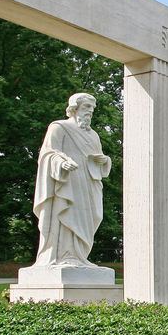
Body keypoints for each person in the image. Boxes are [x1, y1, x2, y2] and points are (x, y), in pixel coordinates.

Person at [31, 92, 111, 268]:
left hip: (88, 182)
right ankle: (63, 255)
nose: (90, 111)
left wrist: (104, 161)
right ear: (75, 108)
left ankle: (80, 256)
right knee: (67, 214)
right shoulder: (59, 127)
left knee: (94, 216)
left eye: (92, 108)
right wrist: (60, 163)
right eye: (86, 107)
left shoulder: (93, 135)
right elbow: (48, 153)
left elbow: (100, 159)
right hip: (67, 183)